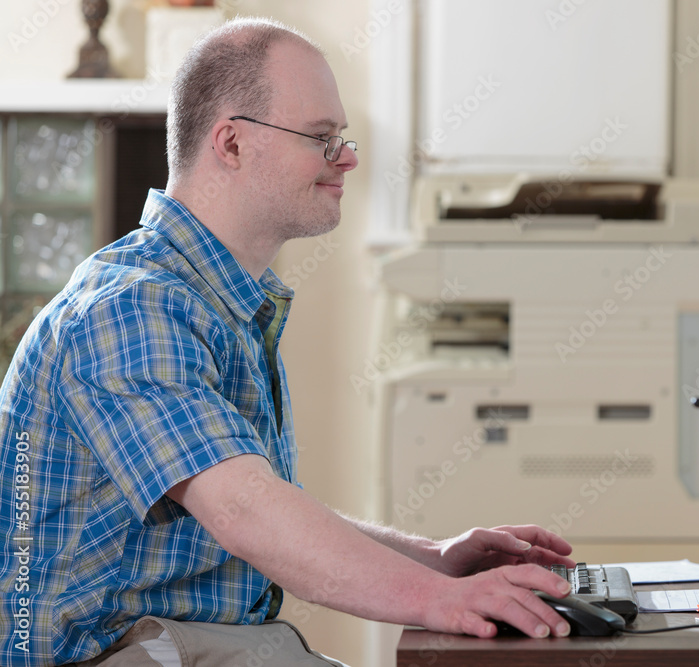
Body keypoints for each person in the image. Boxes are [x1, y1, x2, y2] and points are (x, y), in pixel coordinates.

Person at [0, 17, 576, 667]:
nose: (349, 158)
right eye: (322, 138)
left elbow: (257, 500)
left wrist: (433, 560)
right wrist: (436, 599)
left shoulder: (215, 303)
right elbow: (245, 511)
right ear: (233, 144)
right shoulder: (133, 308)